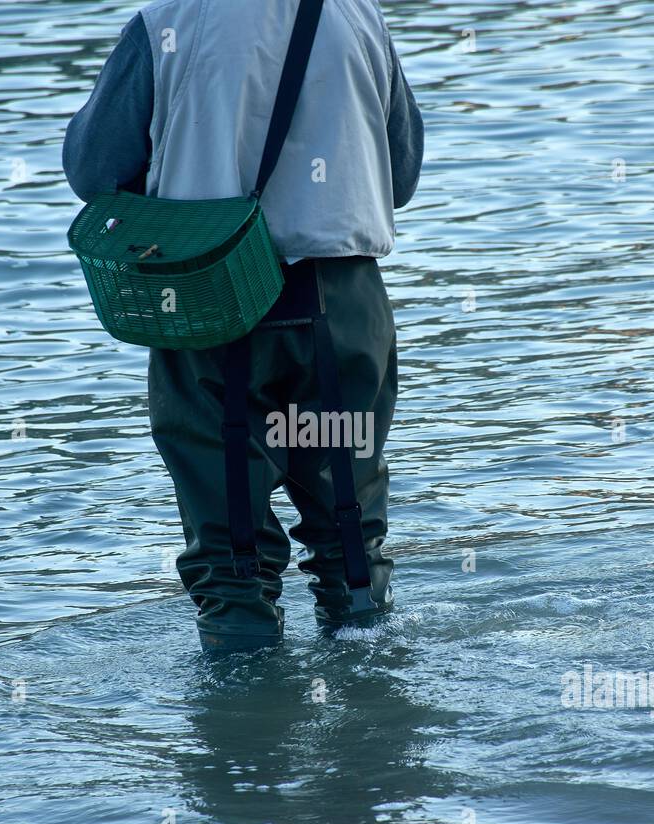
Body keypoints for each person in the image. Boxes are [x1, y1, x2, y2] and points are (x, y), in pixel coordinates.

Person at [63, 0, 423, 653]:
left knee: (233, 569)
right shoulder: (357, 12)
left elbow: (93, 173)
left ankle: (242, 743)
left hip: (213, 301)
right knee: (352, 548)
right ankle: (375, 734)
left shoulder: (164, 22)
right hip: (343, 310)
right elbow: (400, 176)